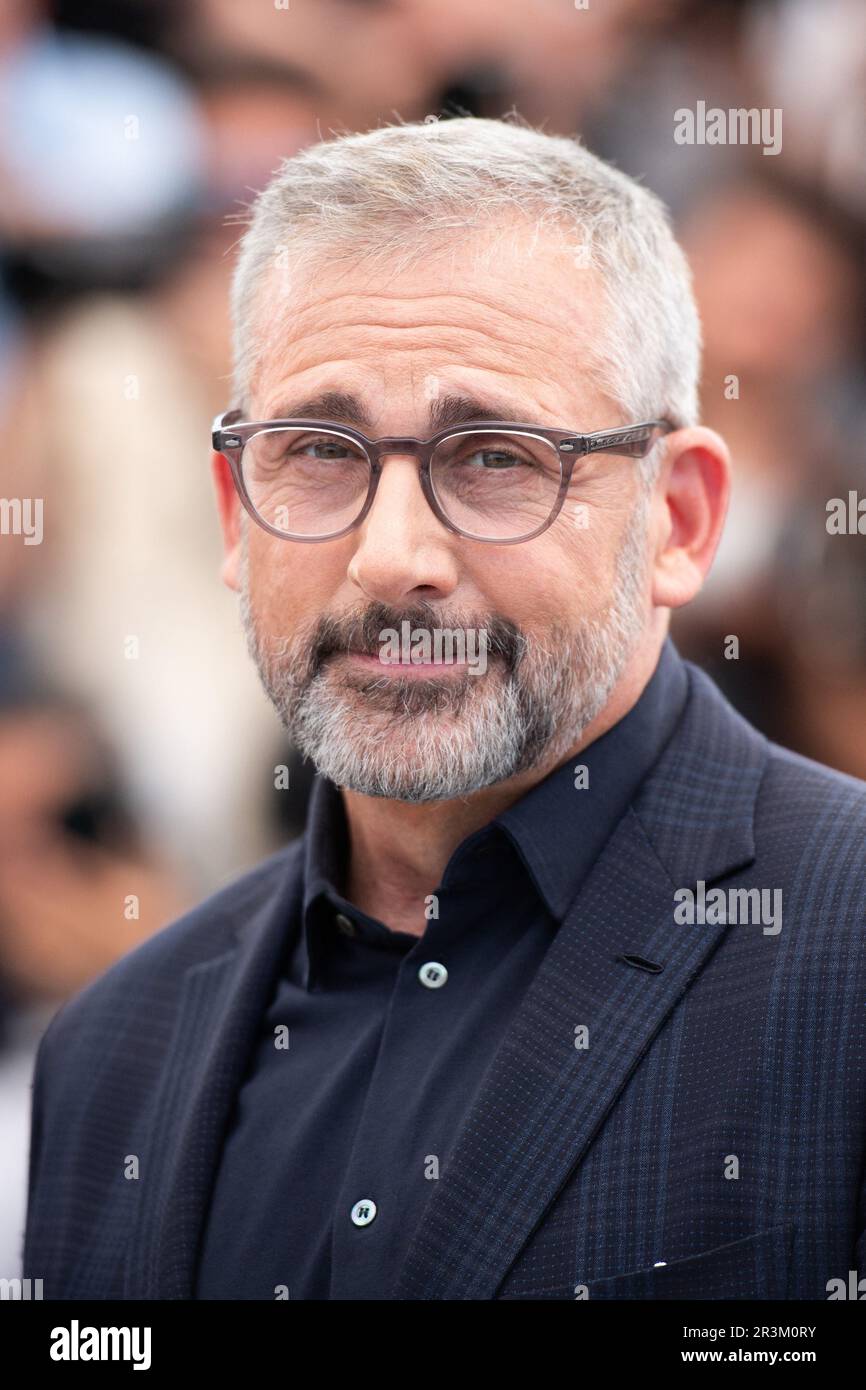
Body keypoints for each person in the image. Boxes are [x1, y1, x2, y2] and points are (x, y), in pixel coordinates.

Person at [22, 116, 866, 1301]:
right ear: (232, 514)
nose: (393, 555)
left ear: (676, 519)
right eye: (320, 449)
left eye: (492, 456)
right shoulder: (109, 1050)